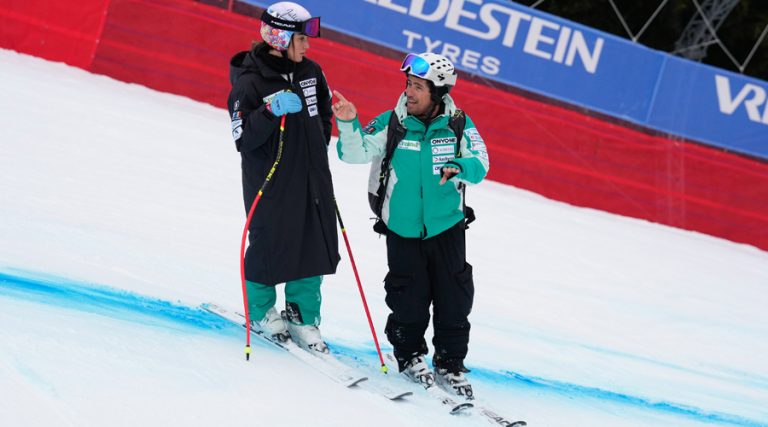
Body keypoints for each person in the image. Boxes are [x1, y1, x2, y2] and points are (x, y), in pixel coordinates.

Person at [332, 52, 489, 398]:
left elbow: (481, 162)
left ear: (438, 93)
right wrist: (348, 124)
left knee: (454, 299)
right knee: (408, 298)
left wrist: (460, 167)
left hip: (447, 228)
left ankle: (450, 362)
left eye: (418, 87)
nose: (410, 92)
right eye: (408, 84)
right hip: (401, 229)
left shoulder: (459, 124)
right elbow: (352, 154)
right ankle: (409, 355)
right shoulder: (393, 122)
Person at [227, 1, 338, 353]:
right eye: (301, 39)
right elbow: (243, 138)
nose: (307, 46)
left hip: (311, 175)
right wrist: (270, 111)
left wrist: (316, 147)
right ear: (280, 38)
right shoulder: (250, 81)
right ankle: (260, 310)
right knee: (270, 241)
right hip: (270, 178)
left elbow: (322, 115)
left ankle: (302, 316)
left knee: (314, 242)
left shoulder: (311, 71)